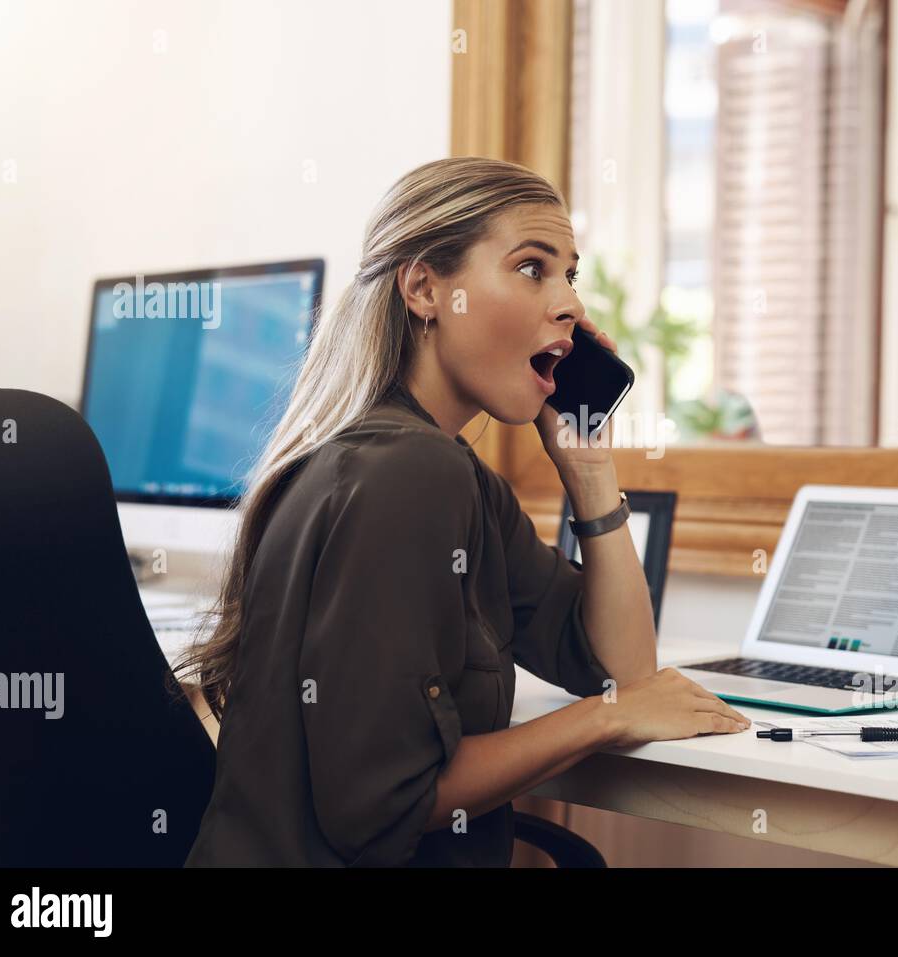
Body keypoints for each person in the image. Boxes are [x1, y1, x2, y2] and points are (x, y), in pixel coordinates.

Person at [178, 156, 750, 867]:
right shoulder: (407, 473)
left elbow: (622, 668)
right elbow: (379, 806)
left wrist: (591, 474)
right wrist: (605, 720)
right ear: (425, 289)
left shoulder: (454, 475)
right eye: (532, 268)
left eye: (570, 275)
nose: (570, 305)